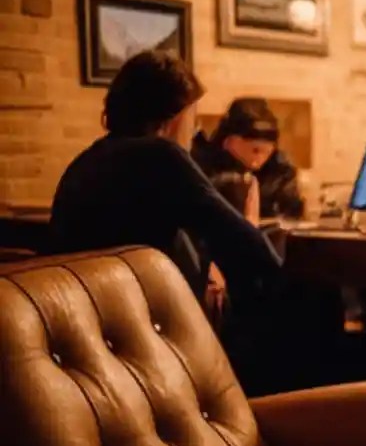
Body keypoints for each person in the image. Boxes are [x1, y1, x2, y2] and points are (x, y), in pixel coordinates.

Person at [50, 51, 281, 303]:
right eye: (193, 118)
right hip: (143, 322)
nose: (194, 131)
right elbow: (242, 243)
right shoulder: (161, 155)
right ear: (174, 119)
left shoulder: (85, 161)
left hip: (90, 313)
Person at [192, 97, 305, 220]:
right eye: (255, 151)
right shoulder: (203, 164)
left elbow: (292, 211)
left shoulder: (279, 171)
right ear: (229, 142)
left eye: (267, 152)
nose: (260, 159)